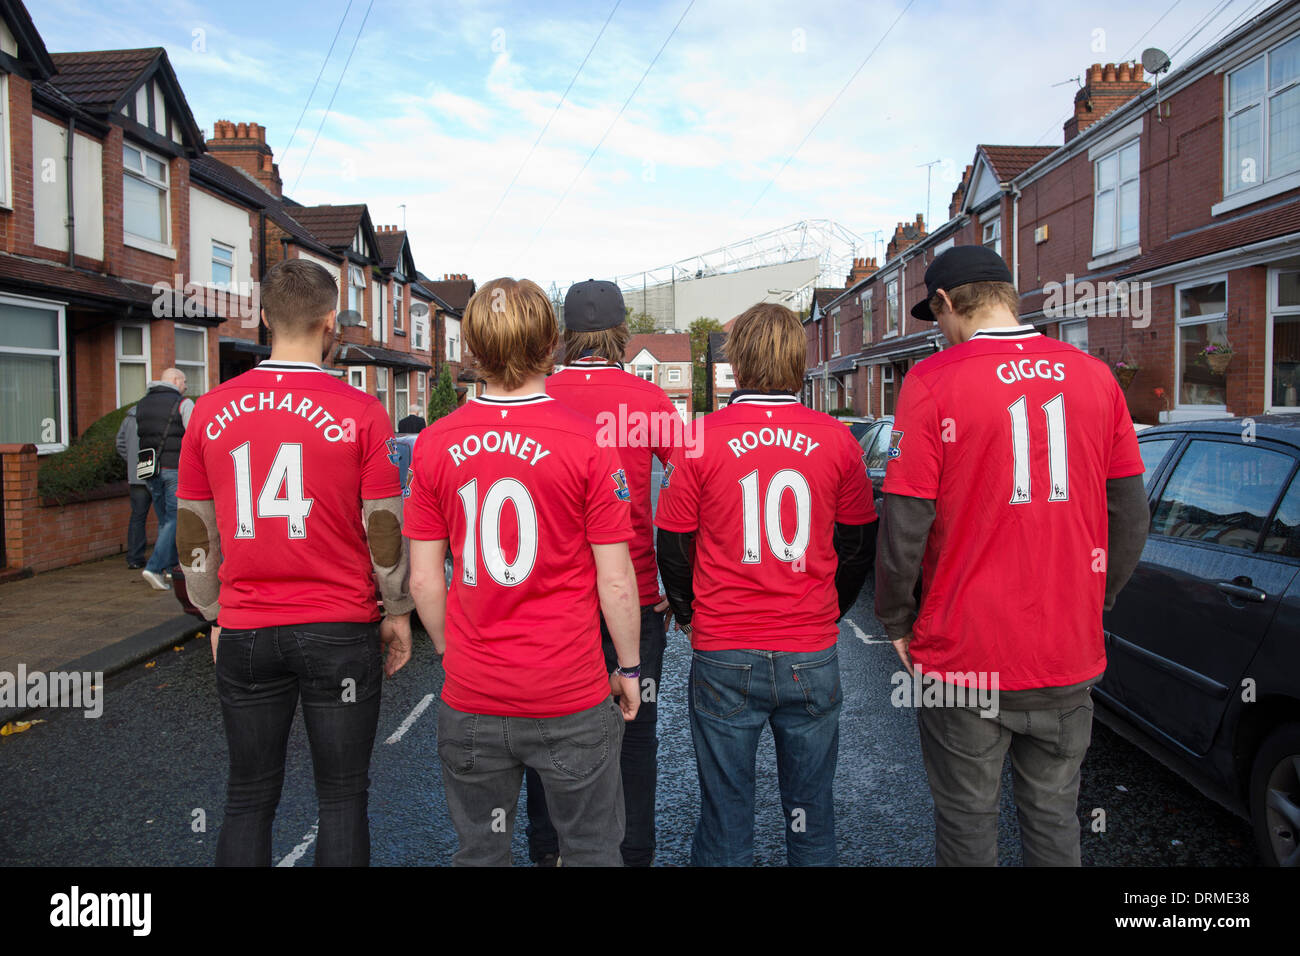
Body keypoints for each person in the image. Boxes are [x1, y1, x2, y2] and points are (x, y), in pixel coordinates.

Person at [874, 245, 1150, 867]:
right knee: (1055, 819)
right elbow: (1131, 514)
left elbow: (906, 520)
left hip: (965, 654)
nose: (939, 330)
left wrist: (894, 618)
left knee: (969, 825)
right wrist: (1096, 596)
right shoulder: (1094, 375)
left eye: (935, 315)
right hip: (1066, 651)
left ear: (945, 302)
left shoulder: (934, 379)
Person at [176, 258, 414, 866]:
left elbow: (195, 534)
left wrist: (213, 613)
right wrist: (397, 610)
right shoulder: (361, 412)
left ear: (263, 319)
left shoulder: (208, 412)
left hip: (249, 627)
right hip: (339, 626)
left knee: (248, 796)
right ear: (331, 321)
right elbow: (383, 529)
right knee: (342, 797)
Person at [405, 277, 641, 867]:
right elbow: (615, 581)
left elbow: (424, 582)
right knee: (589, 849)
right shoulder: (588, 442)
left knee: (481, 853)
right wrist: (630, 667)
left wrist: (449, 651)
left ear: (474, 350)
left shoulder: (434, 445)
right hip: (570, 694)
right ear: (551, 345)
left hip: (473, 697)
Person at [655, 302, 877, 866]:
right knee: (812, 814)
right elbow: (856, 545)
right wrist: (830, 612)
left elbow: (674, 544)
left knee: (726, 815)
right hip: (809, 646)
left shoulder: (700, 438)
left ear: (738, 360)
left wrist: (687, 613)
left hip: (725, 647)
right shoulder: (838, 440)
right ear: (798, 361)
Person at [520, 278, 680, 867]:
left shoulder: (539, 396)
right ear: (620, 335)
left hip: (552, 601)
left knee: (545, 736)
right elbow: (696, 487)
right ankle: (631, 855)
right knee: (635, 737)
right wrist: (679, 588)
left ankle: (549, 853)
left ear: (566, 335)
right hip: (634, 597)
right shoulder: (649, 402)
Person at [136, 368, 194, 589]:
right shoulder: (183, 403)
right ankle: (154, 567)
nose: (186, 386)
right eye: (184, 381)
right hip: (174, 467)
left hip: (149, 469)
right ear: (176, 380)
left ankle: (168, 569)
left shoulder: (142, 404)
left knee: (164, 520)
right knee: (174, 519)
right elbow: (194, 435)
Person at [114, 405, 152, 569]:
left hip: (136, 476)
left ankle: (134, 558)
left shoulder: (128, 419)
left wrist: (133, 462)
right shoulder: (158, 415)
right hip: (156, 473)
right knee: (167, 518)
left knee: (137, 517)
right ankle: (165, 559)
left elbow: (120, 443)